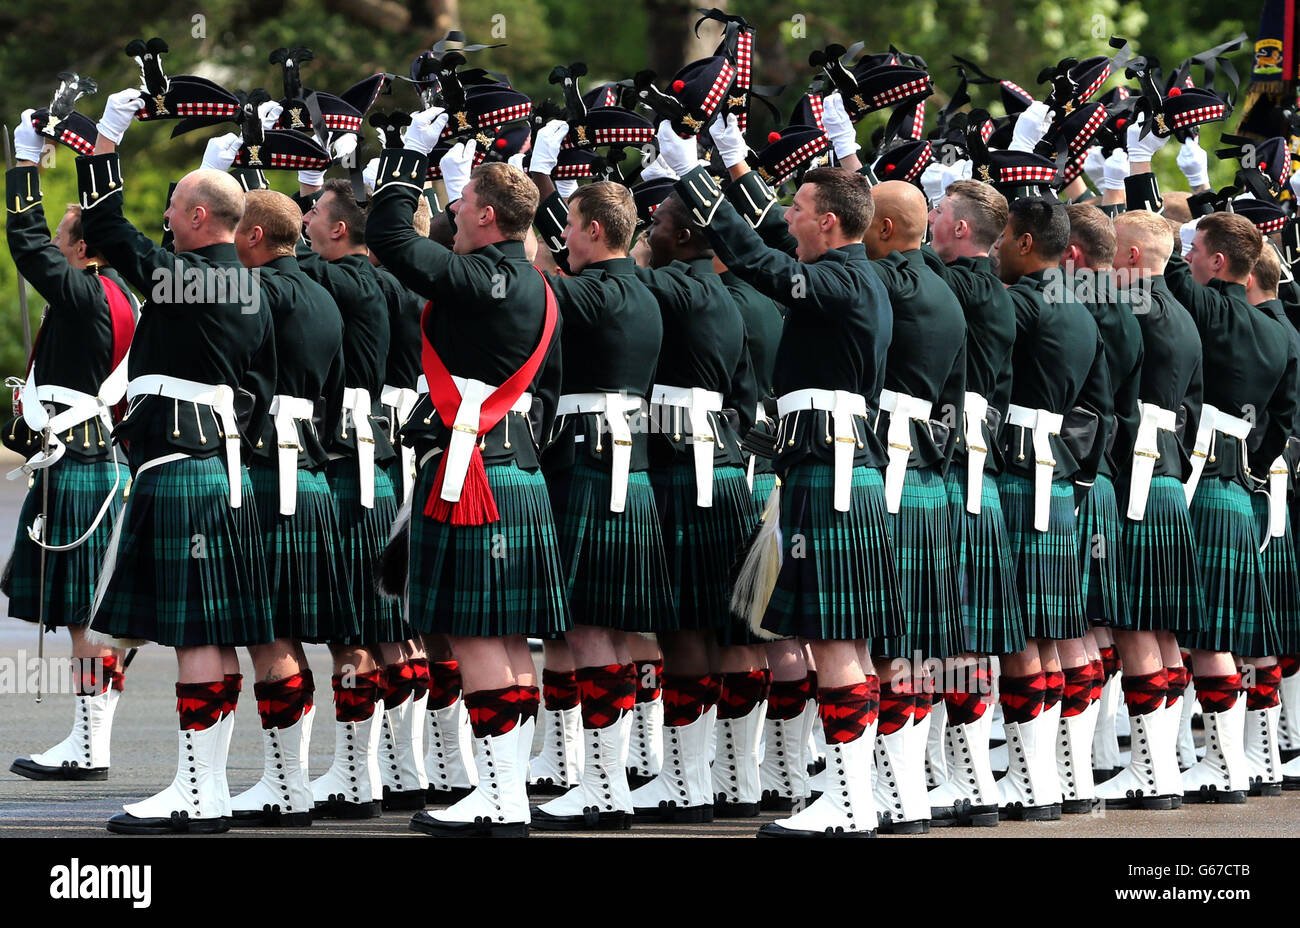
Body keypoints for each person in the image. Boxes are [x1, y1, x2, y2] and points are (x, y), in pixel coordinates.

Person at [660, 121, 903, 837]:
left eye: (798, 209)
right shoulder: (851, 273)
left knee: (833, 641)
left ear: (827, 222)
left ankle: (850, 801)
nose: (786, 217)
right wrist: (728, 165)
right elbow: (769, 234)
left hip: (828, 473)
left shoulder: (839, 282)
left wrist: (695, 180)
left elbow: (762, 263)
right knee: (843, 642)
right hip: (829, 470)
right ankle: (853, 794)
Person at [366, 110, 570, 837]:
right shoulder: (538, 281)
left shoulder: (485, 278)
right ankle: (504, 791)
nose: (449, 214)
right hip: (511, 466)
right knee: (509, 642)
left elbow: (389, 240)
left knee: (483, 638)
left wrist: (409, 153)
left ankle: (500, 797)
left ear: (487, 216)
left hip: (476, 469)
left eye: (459, 207)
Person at [78, 88, 276, 834]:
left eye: (174, 210)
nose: (163, 221)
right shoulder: (248, 285)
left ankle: (197, 794)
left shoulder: (191, 277)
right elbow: (263, 385)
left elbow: (105, 227)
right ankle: (208, 788)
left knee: (197, 636)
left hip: (186, 468)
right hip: (215, 466)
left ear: (199, 219)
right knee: (211, 635)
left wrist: (109, 134)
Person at [525, 146, 675, 829]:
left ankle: (604, 783)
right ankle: (606, 781)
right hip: (626, 467)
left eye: (570, 227)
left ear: (591, 232)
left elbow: (525, 282)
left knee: (588, 630)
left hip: (591, 463)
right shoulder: (641, 291)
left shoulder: (594, 292)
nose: (563, 239)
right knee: (607, 631)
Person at [5, 109, 136, 784]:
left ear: (83, 249)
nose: (54, 246)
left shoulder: (86, 294)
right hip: (89, 454)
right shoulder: (114, 292)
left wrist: (26, 159)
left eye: (64, 237)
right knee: (87, 613)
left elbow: (24, 243)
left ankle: (90, 744)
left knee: (84, 616)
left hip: (80, 460)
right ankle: (89, 736)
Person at [226, 187, 356, 826]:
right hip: (309, 469)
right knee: (294, 635)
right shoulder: (325, 300)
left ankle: (286, 786)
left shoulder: (253, 294)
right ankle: (291, 783)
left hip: (261, 469)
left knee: (269, 634)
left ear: (251, 236)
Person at [293, 177, 417, 817]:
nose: (307, 220)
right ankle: (395, 770)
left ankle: (355, 775)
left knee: (353, 630)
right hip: (385, 457)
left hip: (352, 465)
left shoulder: (340, 280)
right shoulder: (389, 282)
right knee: (390, 631)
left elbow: (284, 256)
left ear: (339, 229)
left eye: (315, 211)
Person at [1164, 209, 1292, 803]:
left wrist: (1137, 169)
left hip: (1209, 482)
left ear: (1218, 263)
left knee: (1212, 634)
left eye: (1196, 251)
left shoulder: (1214, 308)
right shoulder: (1277, 329)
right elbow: (1278, 430)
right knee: (1235, 634)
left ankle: (1222, 769)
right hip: (1241, 484)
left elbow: (1158, 261)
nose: (1187, 258)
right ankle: (1236, 764)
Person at [993, 196, 1110, 820]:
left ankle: (1029, 781)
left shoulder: (1019, 302)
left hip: (1017, 466)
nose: (996, 248)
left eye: (1004, 238)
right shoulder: (1083, 313)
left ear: (1028, 243)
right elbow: (1099, 410)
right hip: (1058, 473)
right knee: (1046, 629)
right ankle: (1042, 780)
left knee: (1019, 630)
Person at [860, 179, 967, 833]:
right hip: (927, 472)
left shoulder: (883, 287)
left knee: (878, 645)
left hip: (885, 468)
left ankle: (884, 788)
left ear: (886, 230)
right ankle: (905, 790)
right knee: (915, 645)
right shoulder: (945, 294)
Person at [1094, 209, 1204, 809]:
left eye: (1111, 250)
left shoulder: (1130, 308)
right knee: (1159, 626)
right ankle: (1159, 769)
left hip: (1138, 473)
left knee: (1138, 621)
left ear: (1132, 257)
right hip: (1165, 471)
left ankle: (1151, 772)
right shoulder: (1183, 315)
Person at [922, 180, 1022, 827]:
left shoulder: (959, 287)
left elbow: (903, 267)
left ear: (961, 230)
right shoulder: (991, 287)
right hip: (973, 466)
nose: (929, 221)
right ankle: (959, 774)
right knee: (956, 634)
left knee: (950, 632)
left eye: (937, 213)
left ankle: (965, 778)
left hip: (957, 465)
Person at [1060, 202, 1144, 810]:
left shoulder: (1087, 307)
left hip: (1077, 470)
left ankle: (1070, 769)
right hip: (1103, 472)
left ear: (1072, 257)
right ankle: (1082, 764)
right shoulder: (1118, 306)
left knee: (1071, 623)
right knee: (1088, 624)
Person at [1242, 242, 1297, 796]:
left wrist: (1251, 466)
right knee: (1266, 620)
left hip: (1261, 480)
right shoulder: (1283, 323)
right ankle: (1273, 750)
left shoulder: (1265, 329)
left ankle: (1265, 752)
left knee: (1255, 621)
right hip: (1272, 480)